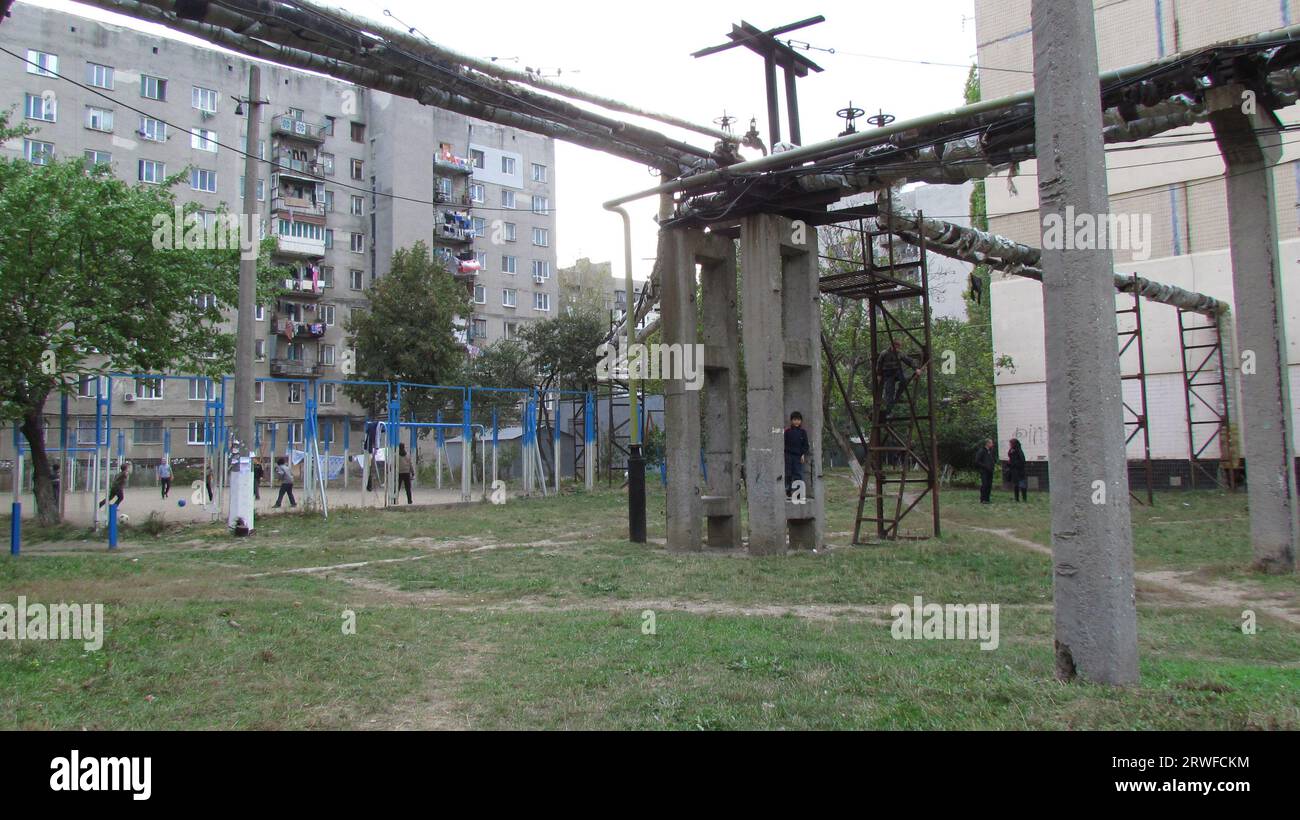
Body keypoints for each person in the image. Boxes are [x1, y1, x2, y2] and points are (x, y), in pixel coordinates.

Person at [877, 339, 919, 415]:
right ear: (892, 345)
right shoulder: (884, 353)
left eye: (899, 346)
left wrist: (916, 369)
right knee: (889, 393)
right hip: (888, 373)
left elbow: (909, 361)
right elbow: (879, 364)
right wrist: (879, 375)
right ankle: (888, 411)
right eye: (897, 346)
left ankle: (898, 395)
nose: (898, 348)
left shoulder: (899, 353)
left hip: (897, 372)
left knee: (904, 380)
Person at [784, 411, 810, 499]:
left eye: (798, 420)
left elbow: (806, 445)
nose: (796, 422)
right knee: (788, 474)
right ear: (791, 421)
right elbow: (783, 444)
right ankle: (787, 491)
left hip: (798, 457)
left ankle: (799, 493)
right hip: (788, 456)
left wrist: (803, 454)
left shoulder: (803, 432)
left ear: (801, 421)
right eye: (795, 420)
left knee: (798, 474)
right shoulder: (787, 431)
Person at [975, 439, 997, 504]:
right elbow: (977, 461)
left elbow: (993, 459)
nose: (992, 444)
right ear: (987, 443)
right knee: (984, 484)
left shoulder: (991, 451)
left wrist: (992, 465)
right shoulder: (981, 451)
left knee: (989, 485)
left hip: (990, 471)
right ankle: (983, 499)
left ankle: (987, 499)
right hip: (984, 471)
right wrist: (985, 466)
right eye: (991, 443)